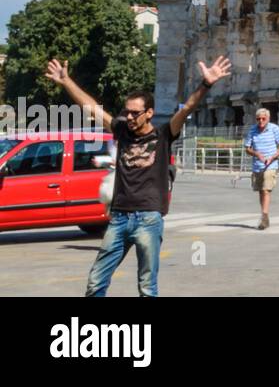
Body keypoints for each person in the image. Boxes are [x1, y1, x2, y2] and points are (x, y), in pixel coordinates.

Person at [45, 54, 231, 297]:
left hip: (148, 218)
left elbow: (187, 108)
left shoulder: (164, 135)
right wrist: (66, 81)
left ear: (149, 113)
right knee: (96, 282)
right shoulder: (122, 131)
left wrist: (206, 84)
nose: (129, 117)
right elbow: (91, 108)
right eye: (127, 112)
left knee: (146, 286)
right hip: (119, 217)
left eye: (135, 113)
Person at [244, 107, 279, 229]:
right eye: (258, 119)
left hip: (271, 164)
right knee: (261, 191)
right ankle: (264, 214)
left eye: (263, 118)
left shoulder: (274, 129)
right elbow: (247, 148)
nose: (261, 121)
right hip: (257, 165)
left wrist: (272, 157)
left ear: (268, 119)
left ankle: (264, 216)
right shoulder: (252, 130)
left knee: (266, 190)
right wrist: (256, 154)